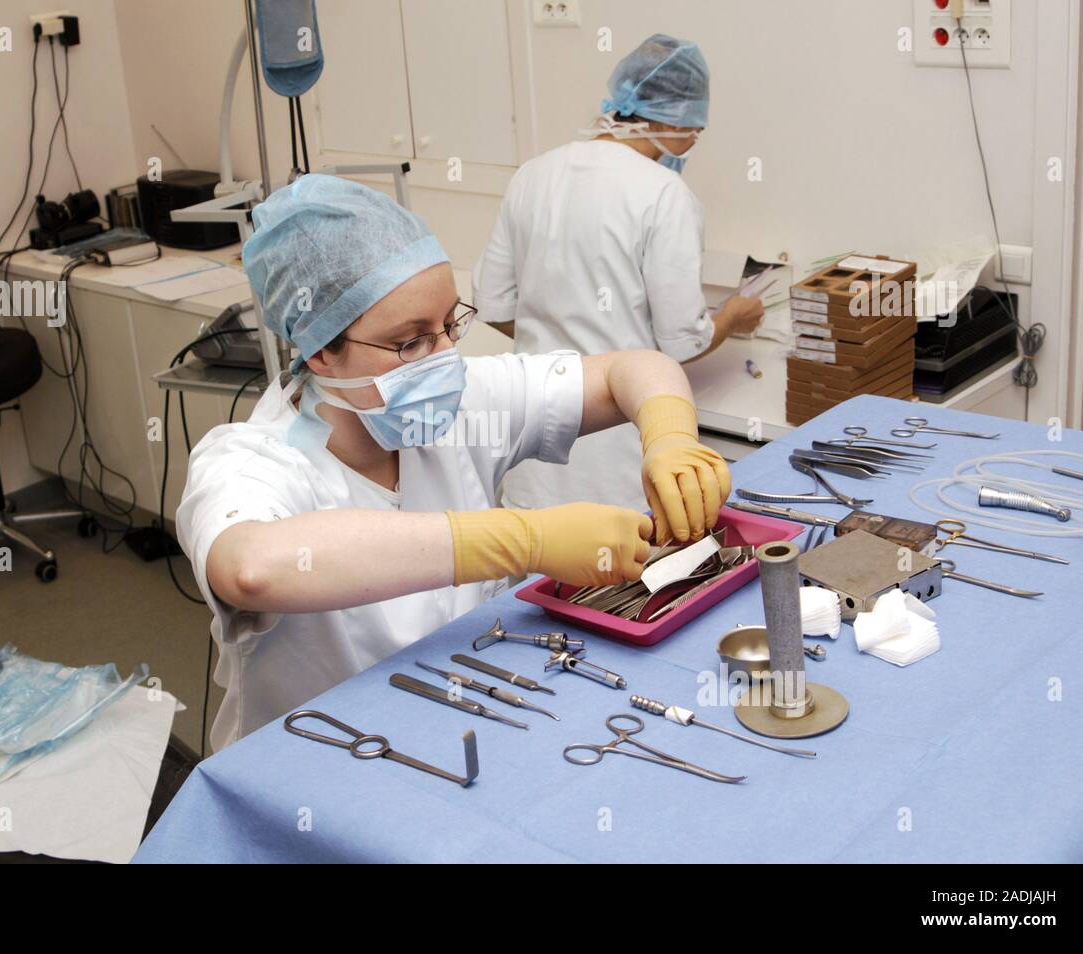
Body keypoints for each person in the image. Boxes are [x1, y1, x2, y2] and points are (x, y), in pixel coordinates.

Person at [177, 174, 731, 751]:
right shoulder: (249, 460)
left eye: (449, 325)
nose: (445, 358)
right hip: (316, 761)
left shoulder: (459, 404)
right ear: (319, 348)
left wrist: (669, 436)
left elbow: (631, 369)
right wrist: (524, 539)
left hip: (470, 719)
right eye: (411, 341)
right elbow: (251, 568)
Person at [473, 34, 763, 512]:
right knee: (619, 581)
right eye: (694, 129)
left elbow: (493, 303)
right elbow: (681, 345)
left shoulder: (533, 174)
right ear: (667, 119)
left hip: (530, 457)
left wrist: (562, 350)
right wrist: (731, 317)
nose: (692, 142)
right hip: (616, 468)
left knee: (530, 583)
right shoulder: (664, 195)